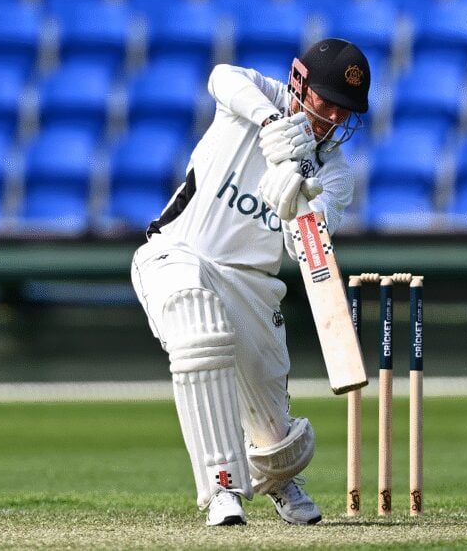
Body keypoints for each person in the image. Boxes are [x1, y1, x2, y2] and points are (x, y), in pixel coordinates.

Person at [130, 39, 370, 526]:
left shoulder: (336, 174)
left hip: (254, 286)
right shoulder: (258, 95)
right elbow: (220, 76)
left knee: (276, 434)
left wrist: (293, 204)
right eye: (325, 103)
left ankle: (277, 478)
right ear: (299, 84)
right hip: (179, 252)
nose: (332, 118)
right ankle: (222, 490)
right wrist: (271, 126)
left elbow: (306, 252)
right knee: (200, 336)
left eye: (344, 111)